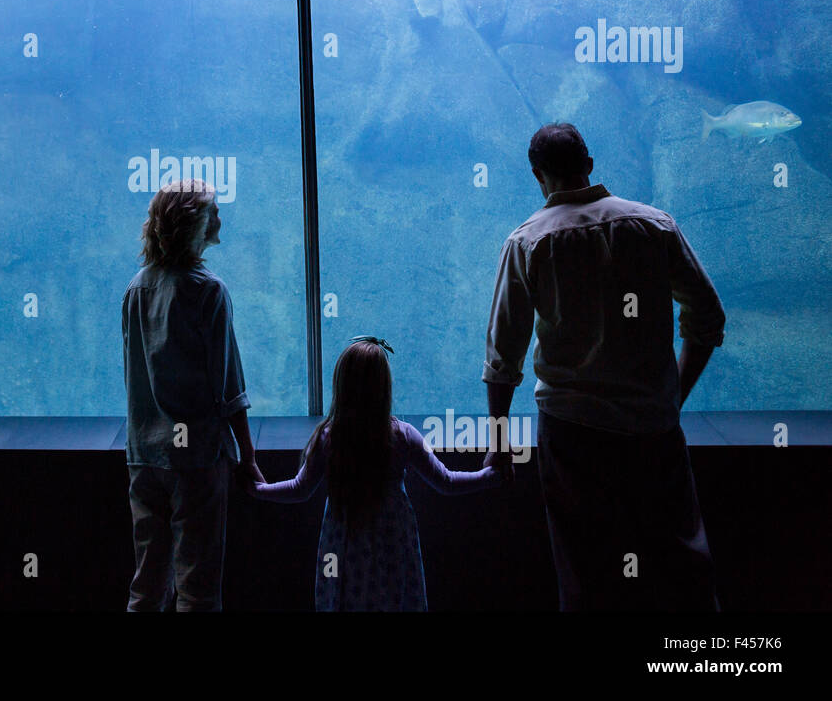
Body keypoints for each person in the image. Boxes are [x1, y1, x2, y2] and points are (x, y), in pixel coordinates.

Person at [483, 123, 726, 610]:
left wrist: (499, 442)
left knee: (584, 565)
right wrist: (673, 394)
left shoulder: (528, 243)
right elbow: (707, 317)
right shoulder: (654, 225)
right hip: (653, 426)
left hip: (572, 433)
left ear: (537, 175)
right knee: (680, 559)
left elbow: (502, 357)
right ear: (590, 164)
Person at [252, 337, 500, 611]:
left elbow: (299, 489)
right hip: (393, 540)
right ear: (384, 386)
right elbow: (446, 481)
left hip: (342, 542)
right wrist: (490, 475)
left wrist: (259, 489)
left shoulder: (329, 437)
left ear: (341, 385)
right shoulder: (403, 435)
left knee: (343, 598)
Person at [122, 178, 263, 611]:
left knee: (147, 583)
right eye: (212, 210)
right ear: (193, 223)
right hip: (197, 458)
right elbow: (228, 386)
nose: (219, 216)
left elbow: (134, 375)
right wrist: (248, 456)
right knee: (197, 585)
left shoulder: (136, 290)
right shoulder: (209, 291)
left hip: (144, 454)